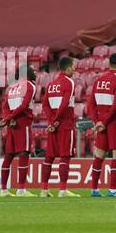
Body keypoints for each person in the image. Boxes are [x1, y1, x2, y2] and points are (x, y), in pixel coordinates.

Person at [86, 52, 116, 199]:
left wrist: (96, 121)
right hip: (114, 122)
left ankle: (94, 189)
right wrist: (103, 122)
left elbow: (90, 103)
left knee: (99, 155)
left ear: (109, 64)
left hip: (101, 123)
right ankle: (112, 190)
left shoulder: (99, 80)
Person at [41, 56, 77, 198]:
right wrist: (56, 120)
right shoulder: (69, 83)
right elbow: (65, 103)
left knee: (49, 157)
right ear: (67, 68)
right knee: (65, 157)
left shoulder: (51, 84)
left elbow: (45, 104)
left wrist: (51, 121)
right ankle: (63, 190)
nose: (74, 69)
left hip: (53, 126)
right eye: (73, 66)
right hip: (65, 124)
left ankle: (44, 190)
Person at [0, 66, 36, 197]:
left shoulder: (11, 88)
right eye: (32, 70)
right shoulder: (30, 86)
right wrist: (11, 118)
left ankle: (3, 190)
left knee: (8, 155)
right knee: (24, 154)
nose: (35, 72)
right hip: (23, 123)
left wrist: (8, 119)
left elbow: (4, 107)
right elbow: (24, 106)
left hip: (12, 124)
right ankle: (21, 189)